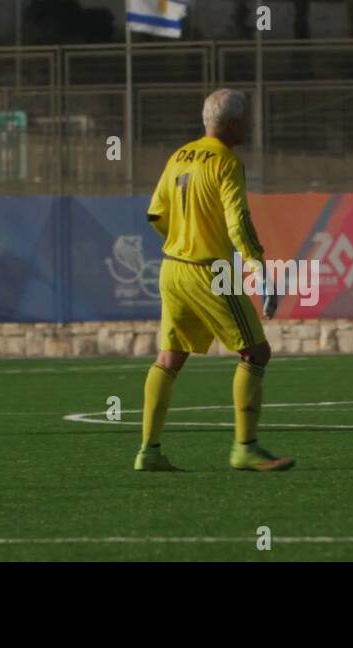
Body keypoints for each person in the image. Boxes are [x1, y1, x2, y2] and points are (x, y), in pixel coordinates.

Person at [135, 88, 295, 471]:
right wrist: (259, 269)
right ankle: (245, 447)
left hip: (172, 267)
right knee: (256, 353)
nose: (250, 125)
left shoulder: (178, 156)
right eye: (247, 119)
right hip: (209, 271)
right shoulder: (227, 162)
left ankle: (149, 452)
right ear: (235, 123)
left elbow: (156, 215)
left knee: (169, 357)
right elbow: (237, 222)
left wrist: (184, 239)